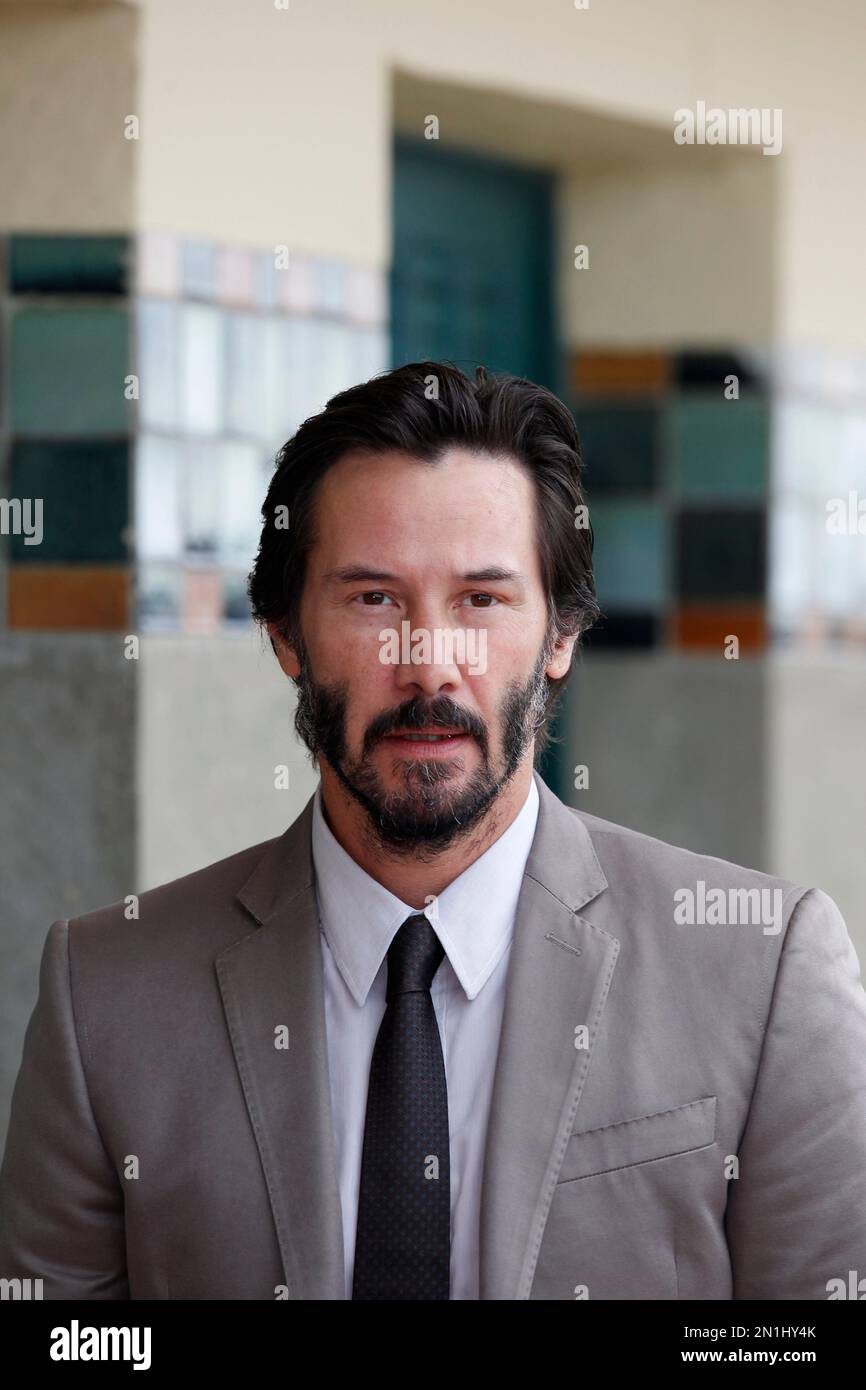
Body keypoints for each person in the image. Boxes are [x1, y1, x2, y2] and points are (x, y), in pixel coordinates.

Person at [1, 361, 865, 1300]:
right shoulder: (105, 992)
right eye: (374, 600)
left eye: (481, 601)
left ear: (562, 633)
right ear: (285, 633)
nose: (429, 666)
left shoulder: (765, 968)